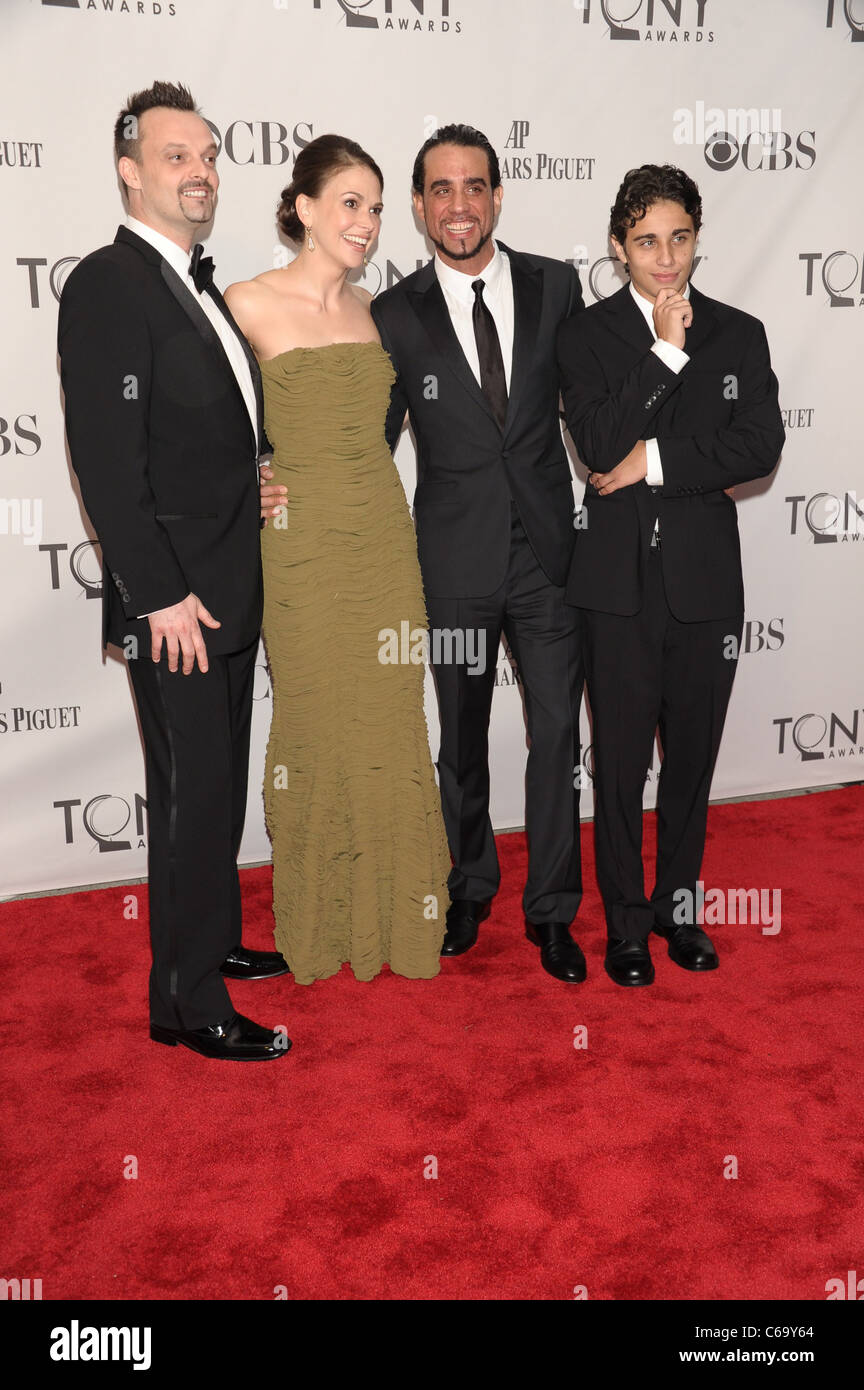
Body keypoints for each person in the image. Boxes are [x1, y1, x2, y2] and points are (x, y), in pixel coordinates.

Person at [264, 123, 587, 983]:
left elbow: (594, 411)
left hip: (549, 558)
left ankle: (553, 911)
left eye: (474, 186)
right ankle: (467, 888)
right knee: (461, 738)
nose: (458, 204)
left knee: (557, 733)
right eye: (439, 190)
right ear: (418, 206)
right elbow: (361, 435)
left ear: (498, 195)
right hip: (448, 561)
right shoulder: (393, 313)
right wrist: (269, 472)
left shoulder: (558, 287)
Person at [58, 81, 290, 1061]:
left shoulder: (194, 281)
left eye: (207, 156)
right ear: (129, 171)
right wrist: (158, 596)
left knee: (214, 784)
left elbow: (202, 429)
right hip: (178, 603)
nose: (199, 172)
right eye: (174, 157)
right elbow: (108, 463)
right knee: (196, 794)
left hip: (226, 585)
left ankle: (215, 942)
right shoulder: (113, 285)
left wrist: (258, 471)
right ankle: (187, 1003)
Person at [225, 135, 450, 984]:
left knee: (392, 724)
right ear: (304, 207)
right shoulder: (243, 302)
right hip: (302, 548)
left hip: (386, 541)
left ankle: (399, 922)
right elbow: (200, 421)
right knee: (316, 725)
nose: (367, 222)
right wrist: (245, 480)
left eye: (378, 207)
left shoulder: (377, 311)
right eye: (350, 203)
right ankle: (320, 928)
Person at [556, 163, 785, 987]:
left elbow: (758, 448)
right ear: (619, 247)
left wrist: (654, 460)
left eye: (679, 238)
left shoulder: (740, 332)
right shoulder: (583, 336)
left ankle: (677, 910)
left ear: (696, 239)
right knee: (618, 766)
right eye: (647, 241)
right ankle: (623, 928)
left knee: (691, 761)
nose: (665, 258)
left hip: (704, 587)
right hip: (614, 588)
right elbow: (597, 444)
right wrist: (663, 351)